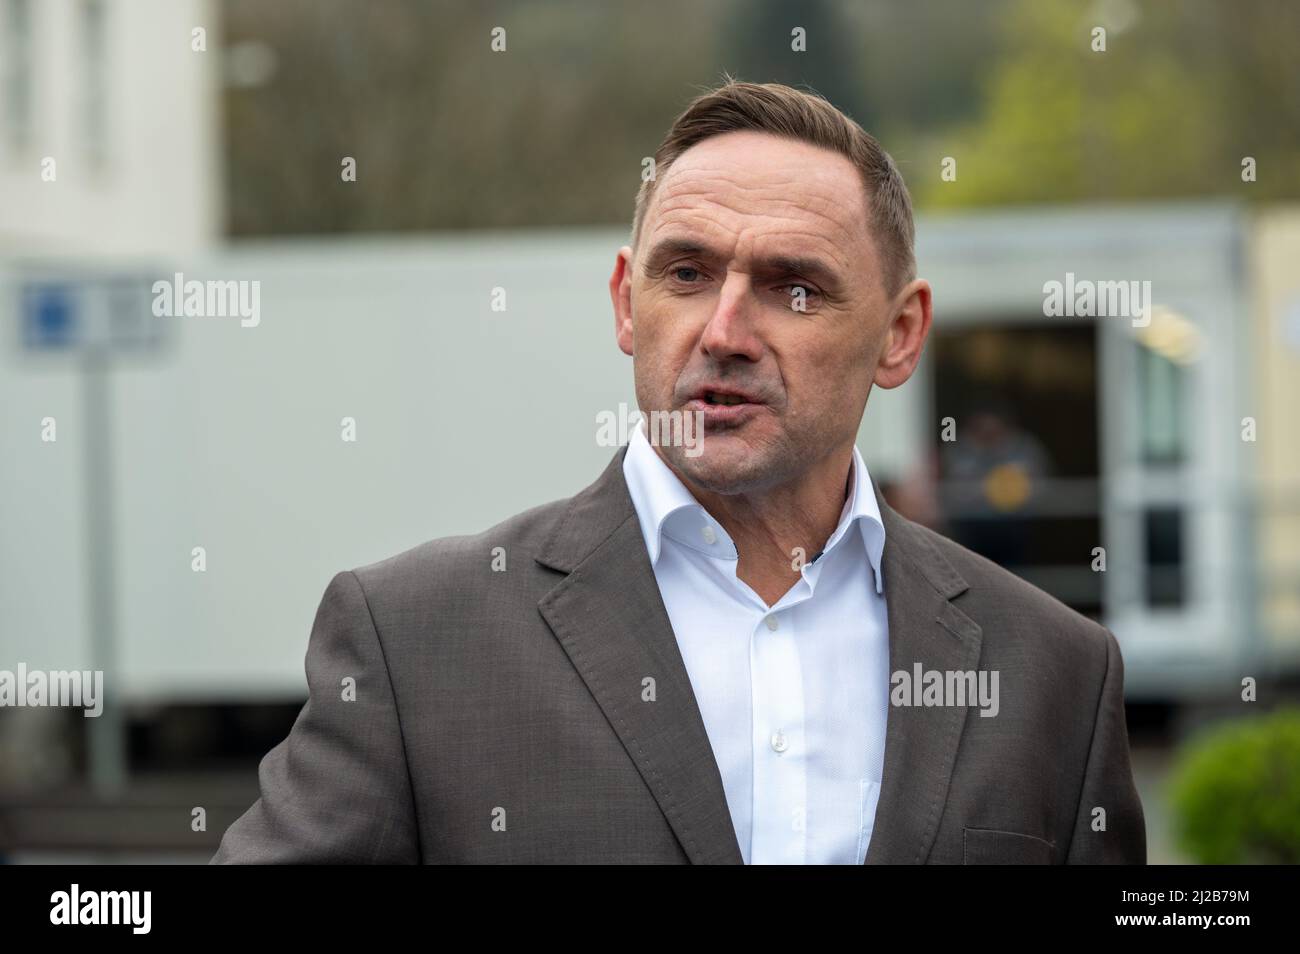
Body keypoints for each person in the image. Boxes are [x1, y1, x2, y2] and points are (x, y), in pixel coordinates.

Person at [213, 80, 1145, 864]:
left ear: (899, 335)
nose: (725, 334)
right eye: (688, 274)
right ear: (627, 303)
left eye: (796, 288)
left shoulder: (1053, 673)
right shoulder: (417, 643)